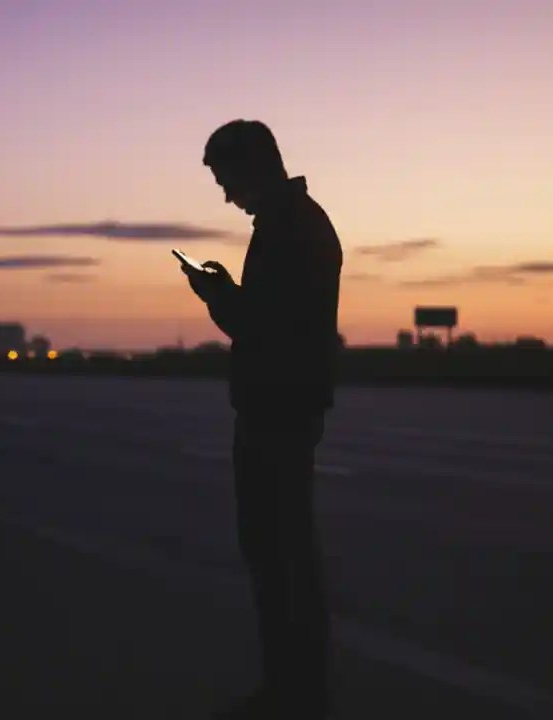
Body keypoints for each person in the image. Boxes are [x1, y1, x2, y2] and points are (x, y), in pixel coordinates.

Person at [182, 120, 343, 720]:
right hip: (287, 403)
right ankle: (297, 689)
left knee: (279, 555)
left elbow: (265, 328)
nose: (226, 195)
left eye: (227, 181)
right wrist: (229, 294)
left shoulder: (286, 229)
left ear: (253, 169)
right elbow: (275, 318)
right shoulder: (299, 223)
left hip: (277, 408)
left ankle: (294, 693)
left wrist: (217, 298)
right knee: (286, 552)